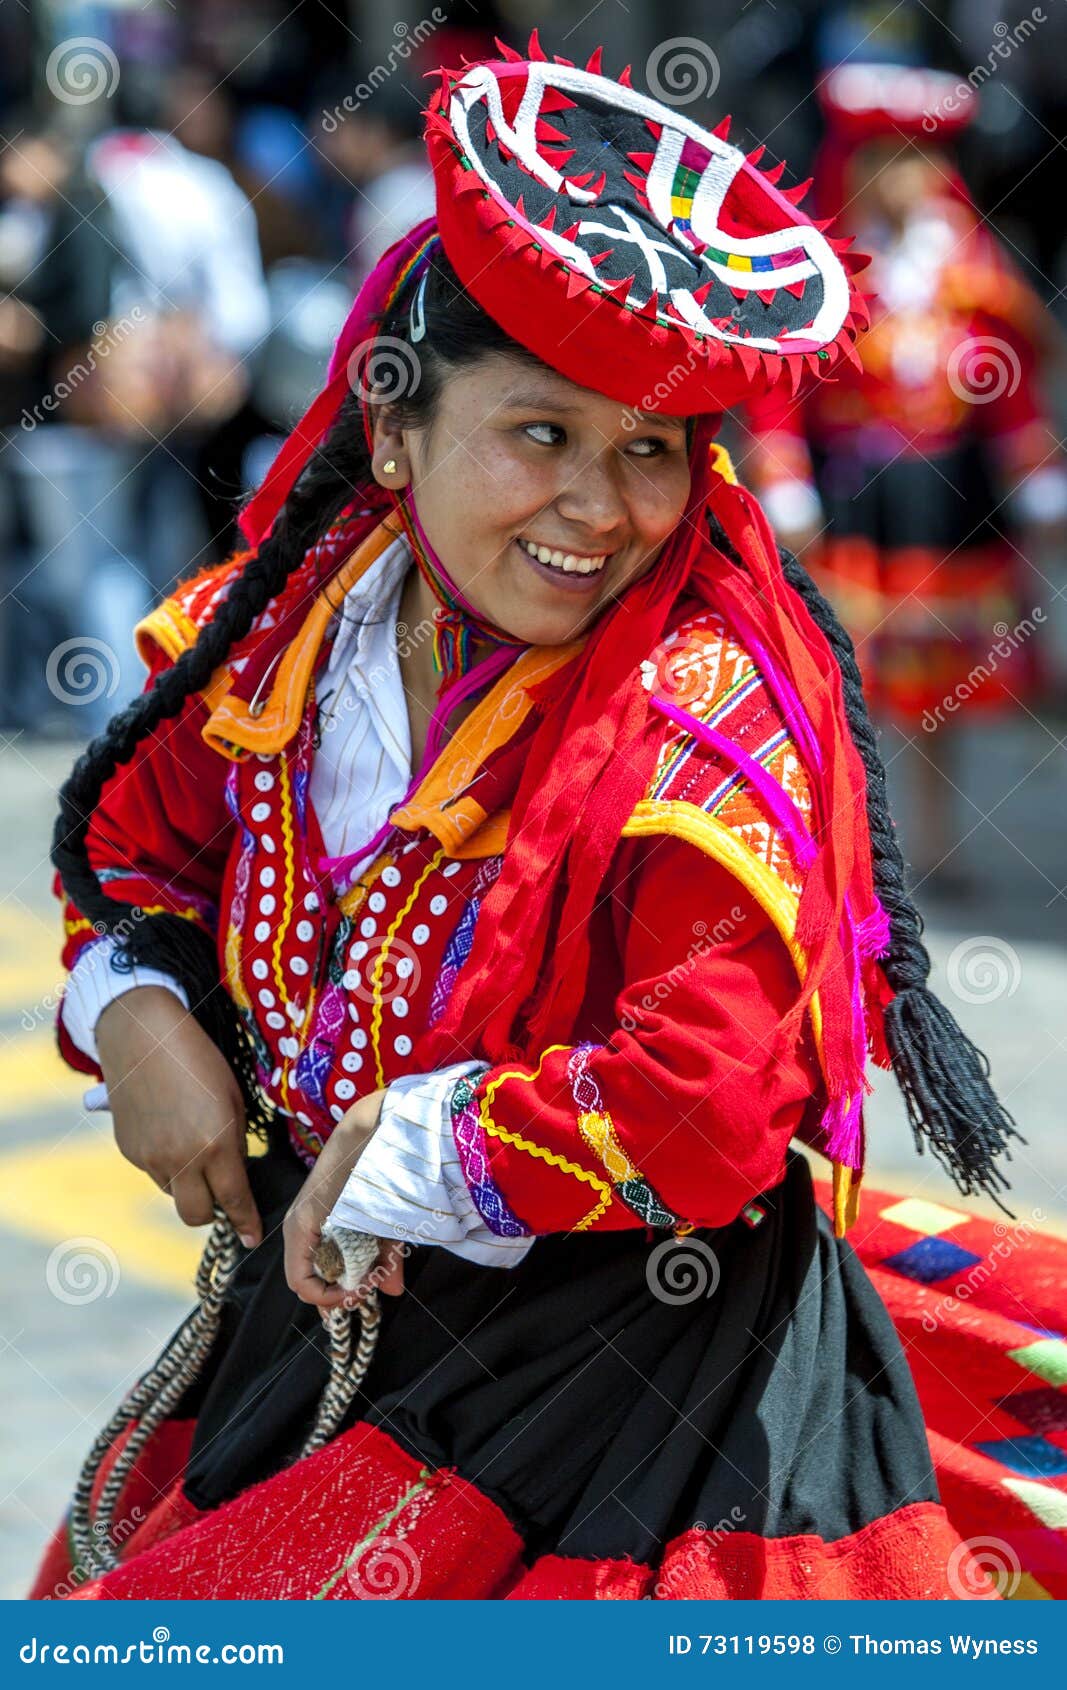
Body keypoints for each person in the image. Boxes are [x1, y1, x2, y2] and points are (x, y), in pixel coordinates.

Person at [29, 40, 1062, 1603]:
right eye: (540, 434)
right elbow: (133, 851)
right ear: (389, 435)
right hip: (319, 1332)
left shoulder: (696, 722)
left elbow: (707, 1104)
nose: (598, 506)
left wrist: (412, 1143)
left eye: (646, 448)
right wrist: (138, 1008)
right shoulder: (283, 639)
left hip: (630, 1393)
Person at [745, 59, 1067, 889]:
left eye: (920, 160)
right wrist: (783, 483)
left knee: (938, 689)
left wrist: (1037, 479)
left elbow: (1008, 392)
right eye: (885, 160)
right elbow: (785, 394)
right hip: (855, 499)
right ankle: (849, 844)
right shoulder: (827, 278)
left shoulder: (970, 276)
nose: (906, 180)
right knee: (848, 679)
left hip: (944, 502)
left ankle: (933, 837)